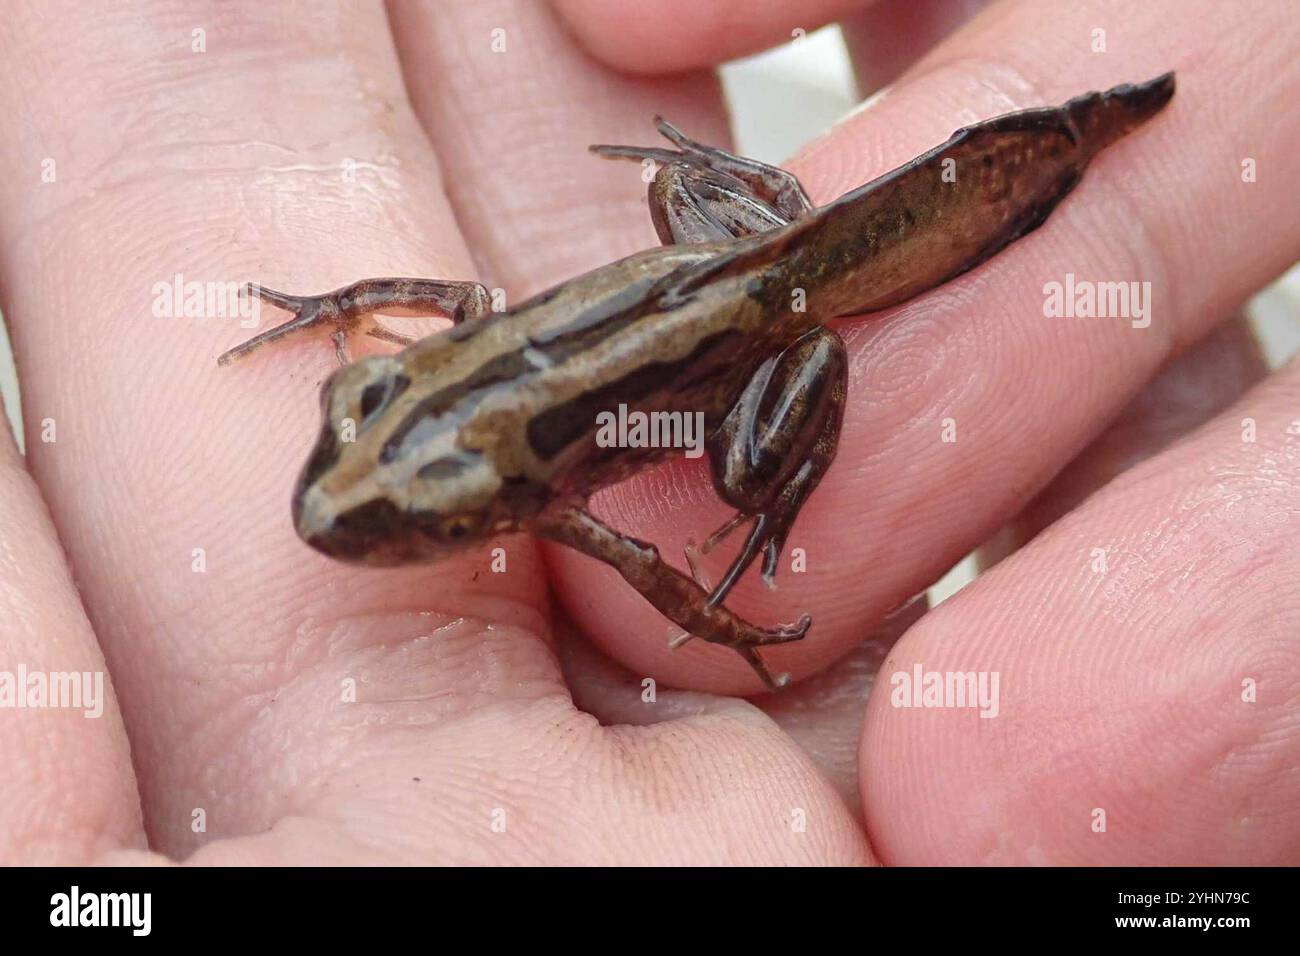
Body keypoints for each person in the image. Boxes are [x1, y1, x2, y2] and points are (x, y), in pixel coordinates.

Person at [0, 0, 1294, 865]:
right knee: (685, 193)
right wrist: (340, 314)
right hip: (740, 272)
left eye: (420, 511)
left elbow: (643, 557)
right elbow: (455, 317)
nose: (342, 510)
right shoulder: (471, 348)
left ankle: (800, 369)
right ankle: (784, 222)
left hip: (778, 321)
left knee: (743, 450)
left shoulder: (545, 474)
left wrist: (736, 591)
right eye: (380, 438)